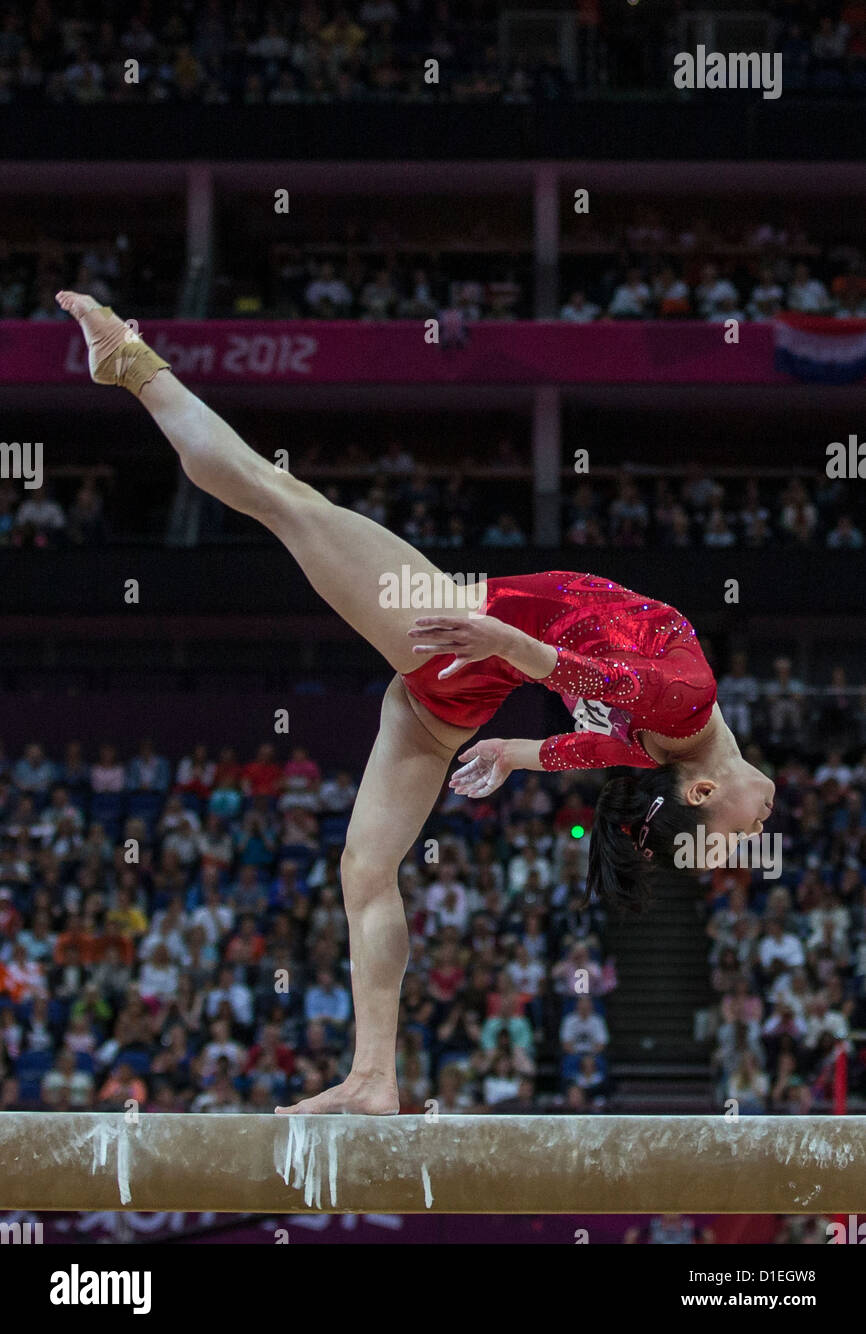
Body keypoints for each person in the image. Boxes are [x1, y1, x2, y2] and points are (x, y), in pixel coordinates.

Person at [57, 290, 776, 1115]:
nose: (756, 833)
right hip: (465, 682)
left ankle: (132, 364)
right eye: (748, 838)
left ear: (704, 792)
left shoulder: (686, 709)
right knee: (365, 868)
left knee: (284, 501)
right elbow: (573, 737)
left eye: (739, 836)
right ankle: (374, 1076)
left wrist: (505, 648)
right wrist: (509, 753)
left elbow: (596, 684)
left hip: (462, 639)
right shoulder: (657, 745)